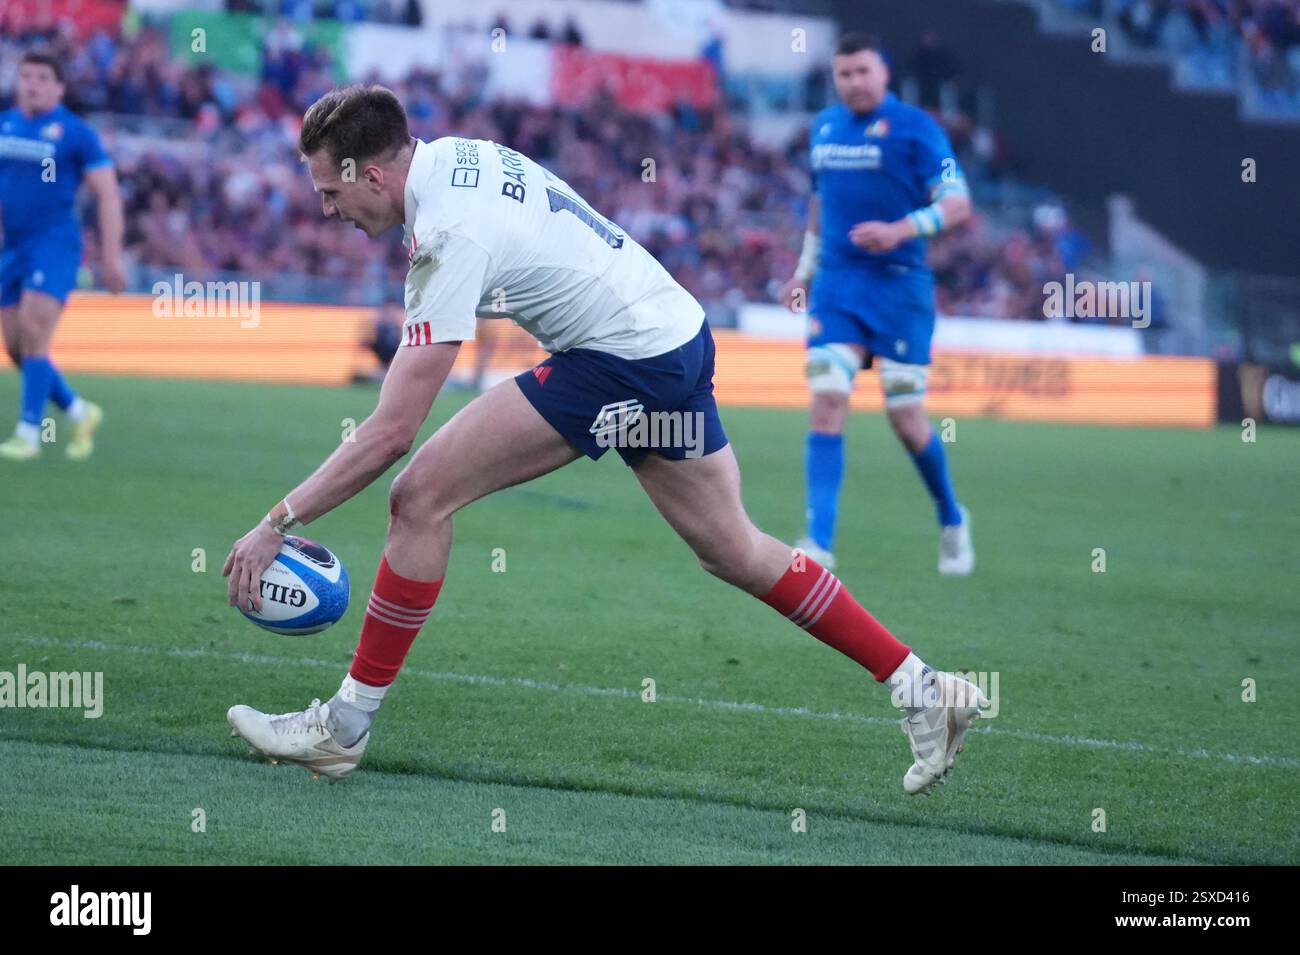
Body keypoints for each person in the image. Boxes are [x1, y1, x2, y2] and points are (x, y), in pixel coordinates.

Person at [222, 85, 986, 795]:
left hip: (625, 358)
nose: (326, 209)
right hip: (676, 329)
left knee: (419, 494)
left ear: (373, 174)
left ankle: (343, 726)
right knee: (734, 547)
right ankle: (925, 689)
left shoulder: (447, 232)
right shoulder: (450, 155)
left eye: (330, 190)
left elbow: (390, 429)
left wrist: (276, 522)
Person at [780, 33, 976, 575]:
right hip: (838, 287)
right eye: (844, 74)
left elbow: (958, 206)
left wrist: (900, 230)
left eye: (863, 71)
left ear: (884, 73)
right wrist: (802, 272)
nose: (854, 82)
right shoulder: (824, 129)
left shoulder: (917, 129)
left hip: (898, 289)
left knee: (905, 417)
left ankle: (952, 517)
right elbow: (820, 207)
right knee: (827, 397)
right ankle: (818, 540)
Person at [0, 50, 123, 462]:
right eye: (26, 76)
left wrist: (111, 257)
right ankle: (78, 410)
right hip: (11, 248)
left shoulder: (75, 133)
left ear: (59, 87)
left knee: (36, 329)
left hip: (54, 245)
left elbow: (106, 194)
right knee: (18, 349)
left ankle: (29, 433)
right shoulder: (6, 124)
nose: (31, 83)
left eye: (41, 77)